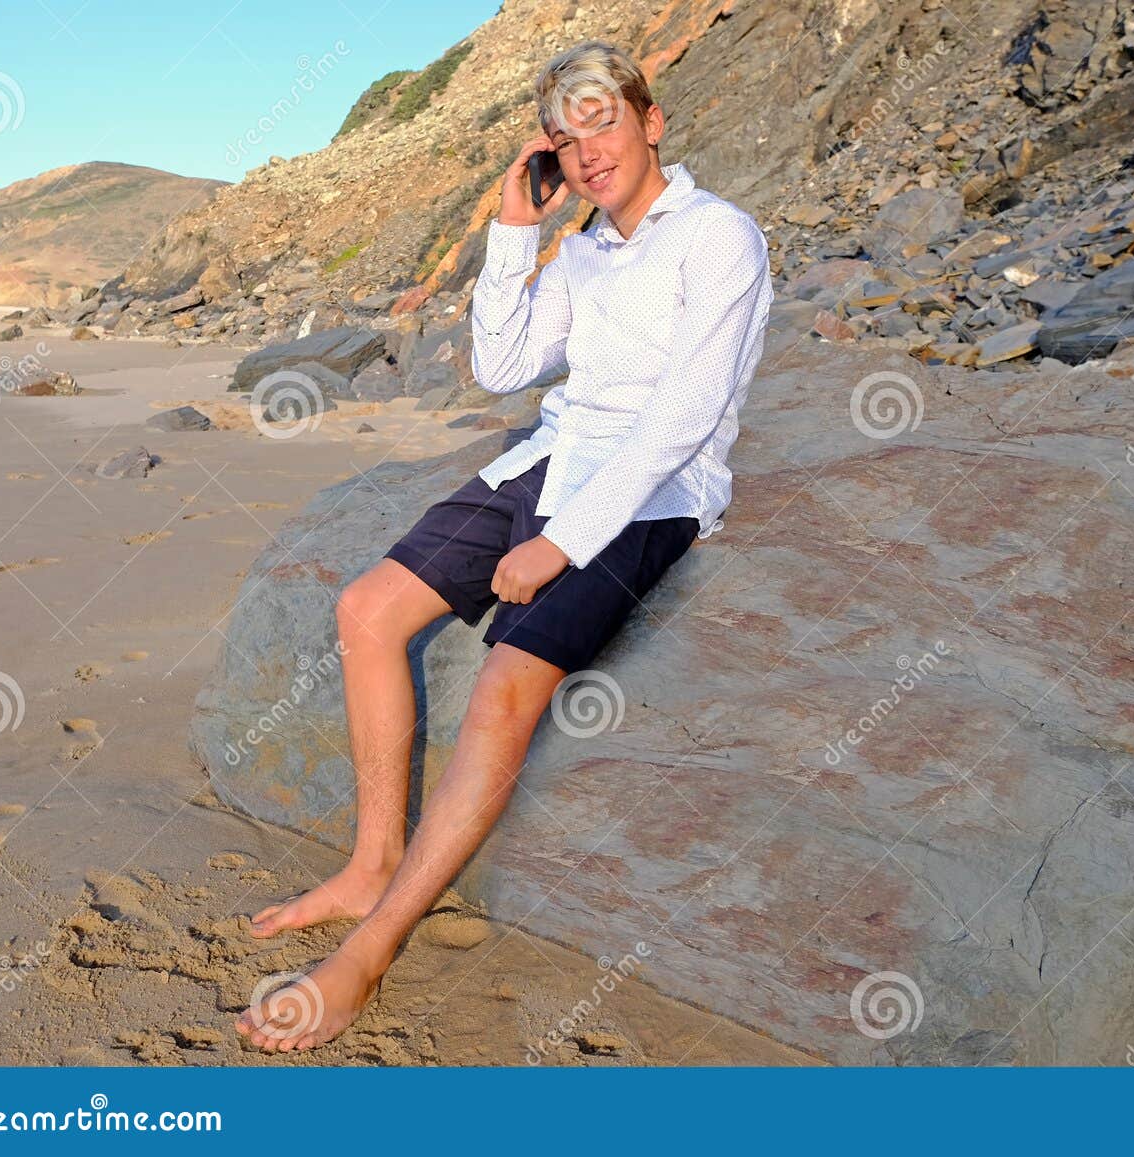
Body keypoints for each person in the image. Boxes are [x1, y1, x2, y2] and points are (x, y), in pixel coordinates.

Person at [233, 39, 774, 1052]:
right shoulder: (586, 247)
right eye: (565, 140)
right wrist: (514, 232)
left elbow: (684, 419)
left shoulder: (719, 237)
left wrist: (562, 544)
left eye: (601, 122)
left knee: (505, 682)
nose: (586, 152)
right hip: (552, 453)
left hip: (652, 486)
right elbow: (500, 366)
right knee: (365, 610)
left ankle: (372, 947)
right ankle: (368, 863)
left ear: (650, 120)